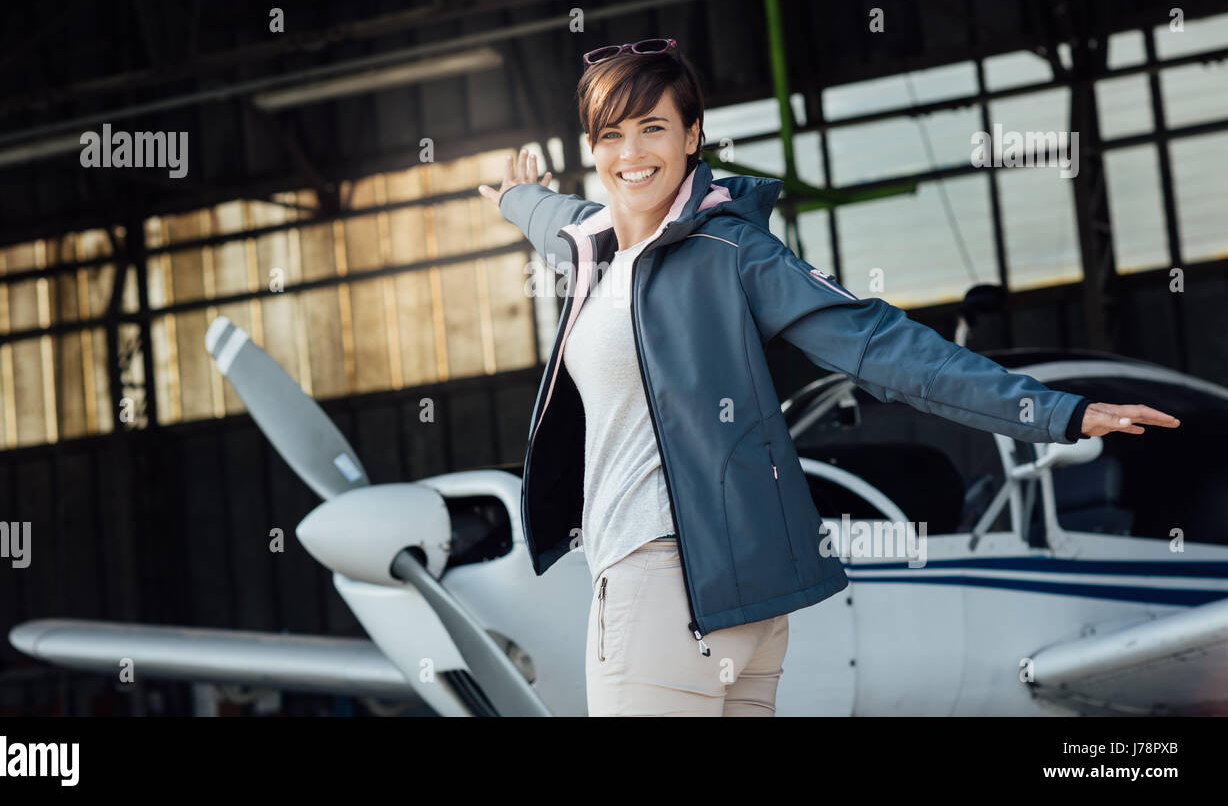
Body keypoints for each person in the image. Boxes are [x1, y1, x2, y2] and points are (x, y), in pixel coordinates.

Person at [478, 37, 1180, 717]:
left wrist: (1054, 411)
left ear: (693, 135)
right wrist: (517, 197)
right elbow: (556, 217)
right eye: (610, 135)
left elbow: (880, 345)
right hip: (740, 609)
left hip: (661, 590)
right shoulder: (591, 244)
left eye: (653, 128)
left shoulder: (732, 252)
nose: (630, 154)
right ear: (591, 148)